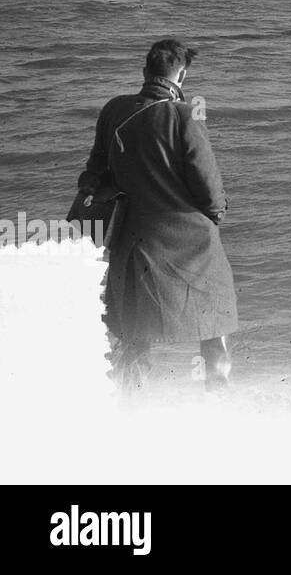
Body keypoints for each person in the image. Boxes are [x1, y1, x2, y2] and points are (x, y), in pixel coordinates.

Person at [77, 39, 237, 392]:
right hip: (189, 240)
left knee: (135, 327)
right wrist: (217, 213)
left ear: (144, 72)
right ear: (181, 74)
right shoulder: (184, 115)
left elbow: (94, 171)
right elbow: (208, 186)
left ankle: (130, 405)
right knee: (215, 317)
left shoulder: (113, 110)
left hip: (133, 237)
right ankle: (217, 399)